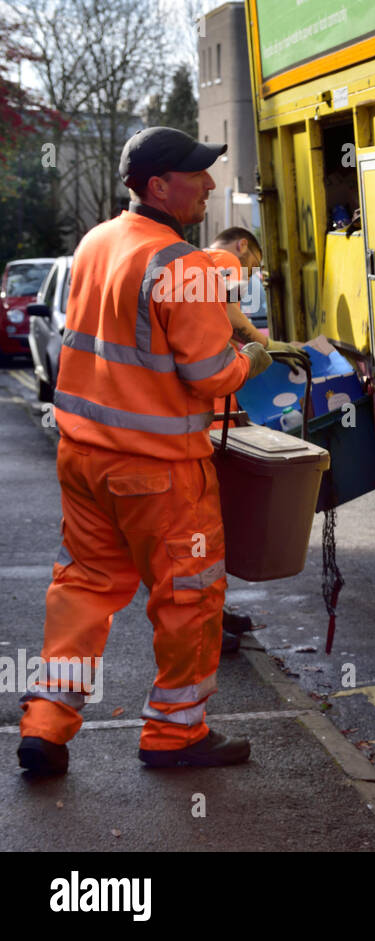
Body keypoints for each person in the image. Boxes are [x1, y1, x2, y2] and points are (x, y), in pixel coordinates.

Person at [16, 126, 275, 775]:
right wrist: (251, 357)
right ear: (159, 185)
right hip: (157, 471)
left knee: (83, 587)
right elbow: (210, 373)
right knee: (188, 594)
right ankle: (175, 731)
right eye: (198, 176)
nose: (211, 186)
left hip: (83, 459)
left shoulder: (95, 243)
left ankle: (46, 724)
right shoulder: (180, 264)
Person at [202, 228, 310, 654]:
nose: (250, 276)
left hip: (206, 419)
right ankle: (207, 624)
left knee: (210, 528)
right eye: (255, 267)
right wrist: (270, 345)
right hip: (203, 426)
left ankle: (214, 613)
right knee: (205, 530)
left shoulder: (191, 271)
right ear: (242, 247)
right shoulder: (222, 262)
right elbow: (235, 323)